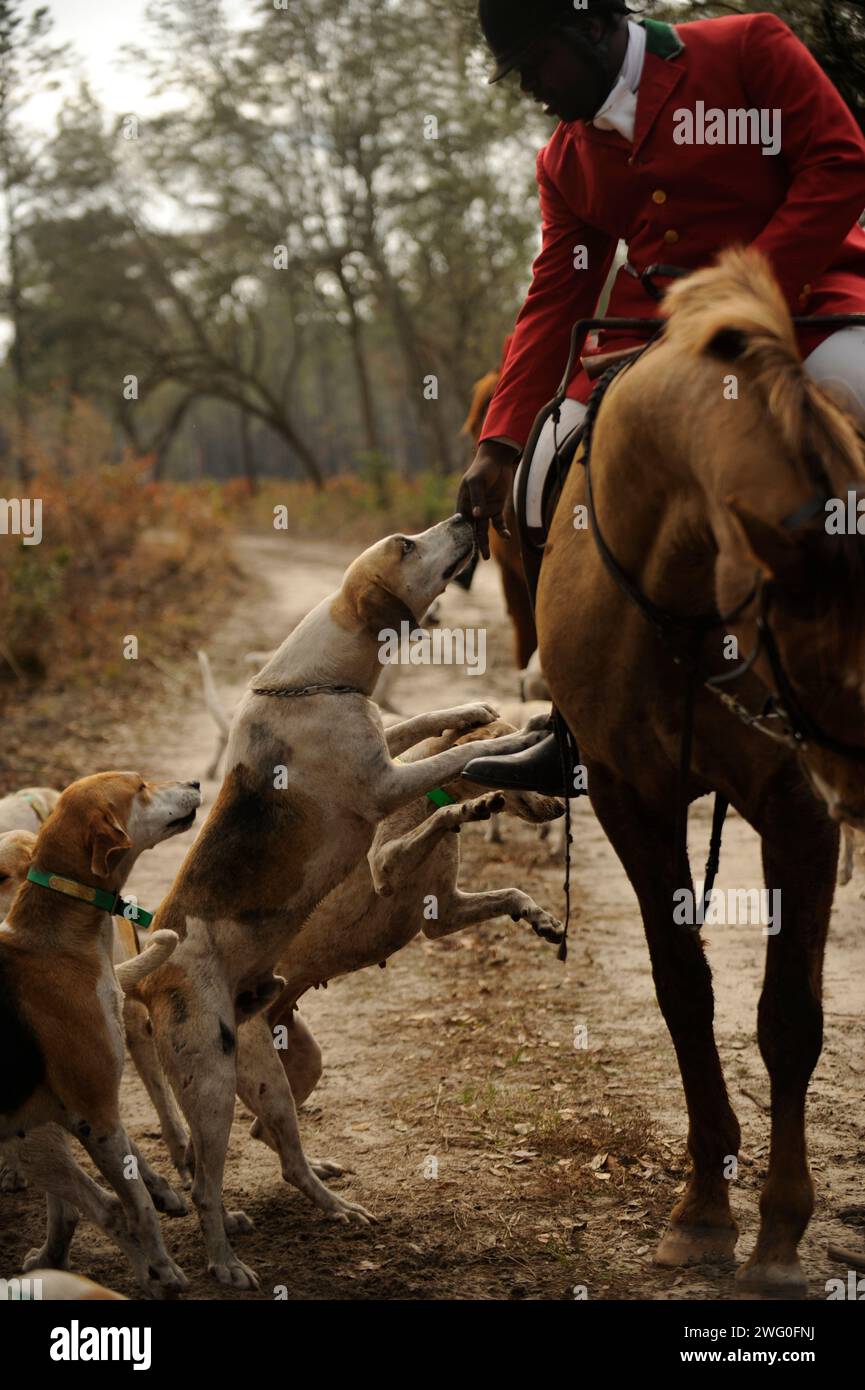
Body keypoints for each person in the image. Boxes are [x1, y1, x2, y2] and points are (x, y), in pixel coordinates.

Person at [457, 0, 865, 795]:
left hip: (807, 310)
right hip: (651, 346)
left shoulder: (748, 47)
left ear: (588, 27)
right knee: (545, 477)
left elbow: (839, 161)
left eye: (538, 63)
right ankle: (574, 721)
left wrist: (739, 295)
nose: (533, 92)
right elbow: (559, 294)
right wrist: (499, 439)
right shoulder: (564, 158)